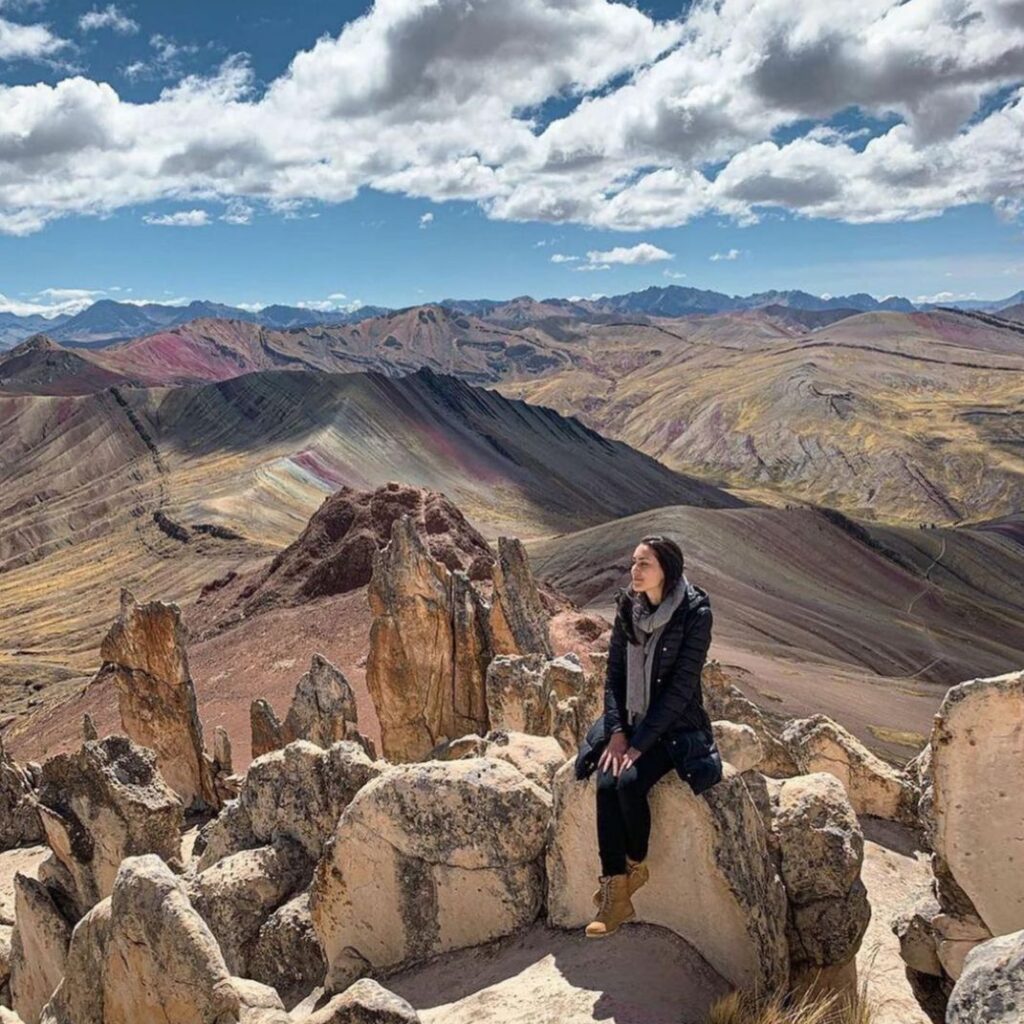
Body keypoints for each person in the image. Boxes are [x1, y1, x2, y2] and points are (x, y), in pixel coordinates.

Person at [579, 534, 717, 938]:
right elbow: (614, 678)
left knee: (630, 784)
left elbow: (681, 689)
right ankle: (615, 891)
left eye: (645, 564)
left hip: (674, 726)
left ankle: (635, 865)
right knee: (606, 782)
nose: (635, 572)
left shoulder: (695, 614)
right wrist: (619, 733)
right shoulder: (629, 608)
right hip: (632, 722)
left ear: (667, 570)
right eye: (634, 563)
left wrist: (639, 745)